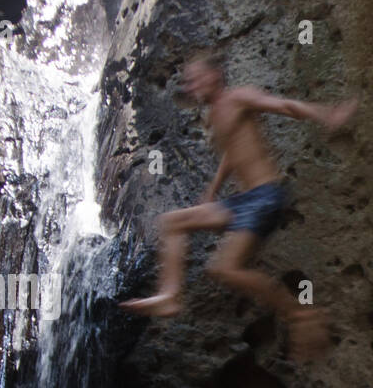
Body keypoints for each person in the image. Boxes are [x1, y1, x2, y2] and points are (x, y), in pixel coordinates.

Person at [120, 54, 357, 361]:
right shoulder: (214, 115)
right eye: (188, 81)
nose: (190, 86)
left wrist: (326, 114)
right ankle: (170, 296)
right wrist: (213, 190)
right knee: (172, 222)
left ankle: (298, 313)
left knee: (222, 268)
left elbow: (283, 105)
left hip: (267, 195)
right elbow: (232, 153)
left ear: (215, 75)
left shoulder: (238, 97)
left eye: (195, 78)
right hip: (242, 202)